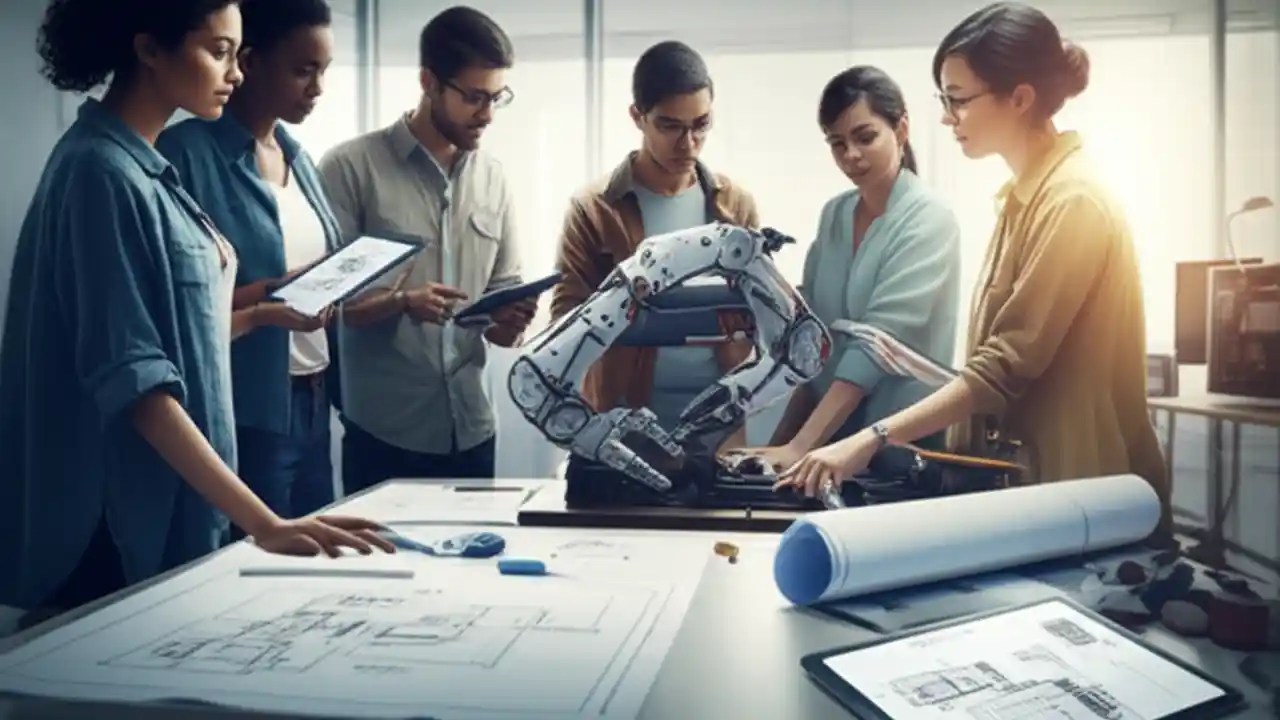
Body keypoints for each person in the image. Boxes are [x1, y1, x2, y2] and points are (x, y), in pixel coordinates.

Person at [0, 0, 393, 619]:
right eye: (219, 52)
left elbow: (189, 335)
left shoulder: (149, 168)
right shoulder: (99, 172)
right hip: (115, 518)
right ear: (149, 48)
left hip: (175, 501)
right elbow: (137, 383)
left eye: (237, 54)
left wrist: (263, 311)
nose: (235, 73)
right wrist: (265, 521)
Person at [777, 2, 1170, 532]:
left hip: (1086, 488)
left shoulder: (1073, 201)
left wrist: (868, 440)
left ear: (1020, 98)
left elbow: (1001, 368)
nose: (947, 116)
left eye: (957, 100)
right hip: (1036, 485)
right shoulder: (1021, 199)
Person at [317, 5, 533, 495]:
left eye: (498, 97)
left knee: (476, 571)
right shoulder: (350, 169)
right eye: (475, 97)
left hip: (474, 427)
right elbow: (329, 307)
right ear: (429, 83)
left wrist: (512, 317)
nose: (488, 114)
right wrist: (402, 302)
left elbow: (502, 310)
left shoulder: (493, 177)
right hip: (385, 432)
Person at [157, 0, 342, 531]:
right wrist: (267, 302)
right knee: (256, 568)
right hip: (245, 405)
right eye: (303, 69)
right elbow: (177, 303)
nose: (317, 87)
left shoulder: (298, 156)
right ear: (251, 62)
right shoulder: (185, 153)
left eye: (323, 70)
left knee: (317, 560)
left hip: (313, 396)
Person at [733, 66, 960, 472]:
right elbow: (813, 342)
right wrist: (780, 446)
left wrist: (801, 445)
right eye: (837, 143)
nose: (850, 155)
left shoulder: (930, 219)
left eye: (865, 137)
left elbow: (875, 347)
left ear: (901, 129)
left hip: (900, 450)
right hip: (828, 445)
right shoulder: (834, 215)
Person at [551, 40, 759, 442]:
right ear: (638, 116)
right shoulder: (595, 208)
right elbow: (566, 321)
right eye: (670, 126)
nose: (688, 143)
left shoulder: (734, 204)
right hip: (621, 418)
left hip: (718, 418)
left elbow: (759, 313)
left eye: (701, 124)